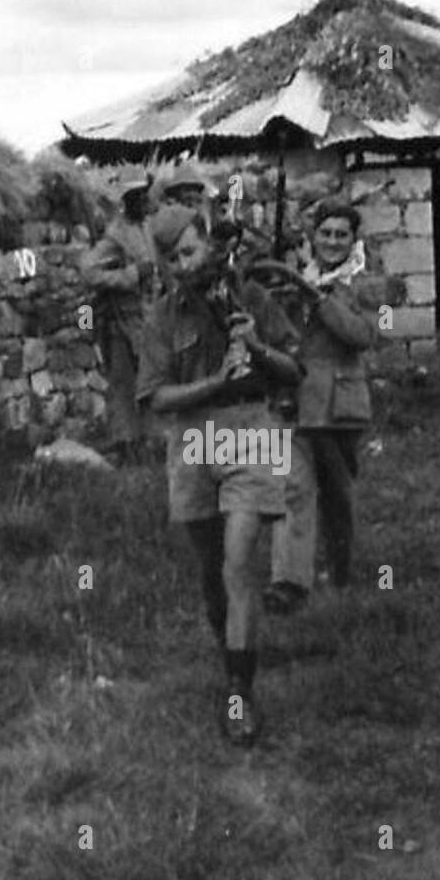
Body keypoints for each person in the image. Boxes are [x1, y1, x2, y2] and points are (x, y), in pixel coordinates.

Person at [136, 206, 302, 746]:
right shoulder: (162, 317)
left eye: (189, 251)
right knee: (212, 573)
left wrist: (256, 347)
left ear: (209, 244)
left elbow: (295, 370)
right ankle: (234, 650)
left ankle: (238, 694)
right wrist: (214, 381)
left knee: (238, 562)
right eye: (171, 259)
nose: (182, 266)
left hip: (251, 429)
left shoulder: (251, 296)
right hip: (191, 440)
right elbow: (157, 396)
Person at [265, 200, 381, 613]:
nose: (332, 242)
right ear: (313, 237)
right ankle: (289, 582)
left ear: (353, 240)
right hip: (293, 400)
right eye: (325, 233)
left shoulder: (364, 284)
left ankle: (340, 572)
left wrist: (317, 299)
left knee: (337, 494)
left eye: (341, 235)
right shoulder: (298, 277)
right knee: (291, 487)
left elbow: (362, 334)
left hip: (338, 405)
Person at [81, 166, 159, 465]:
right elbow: (88, 271)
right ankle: (126, 446)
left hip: (147, 318)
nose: (142, 201)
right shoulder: (116, 234)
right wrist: (128, 275)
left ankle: (148, 441)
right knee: (123, 385)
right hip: (121, 320)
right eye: (136, 196)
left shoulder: (147, 227)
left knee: (150, 381)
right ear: (127, 199)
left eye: (144, 194)